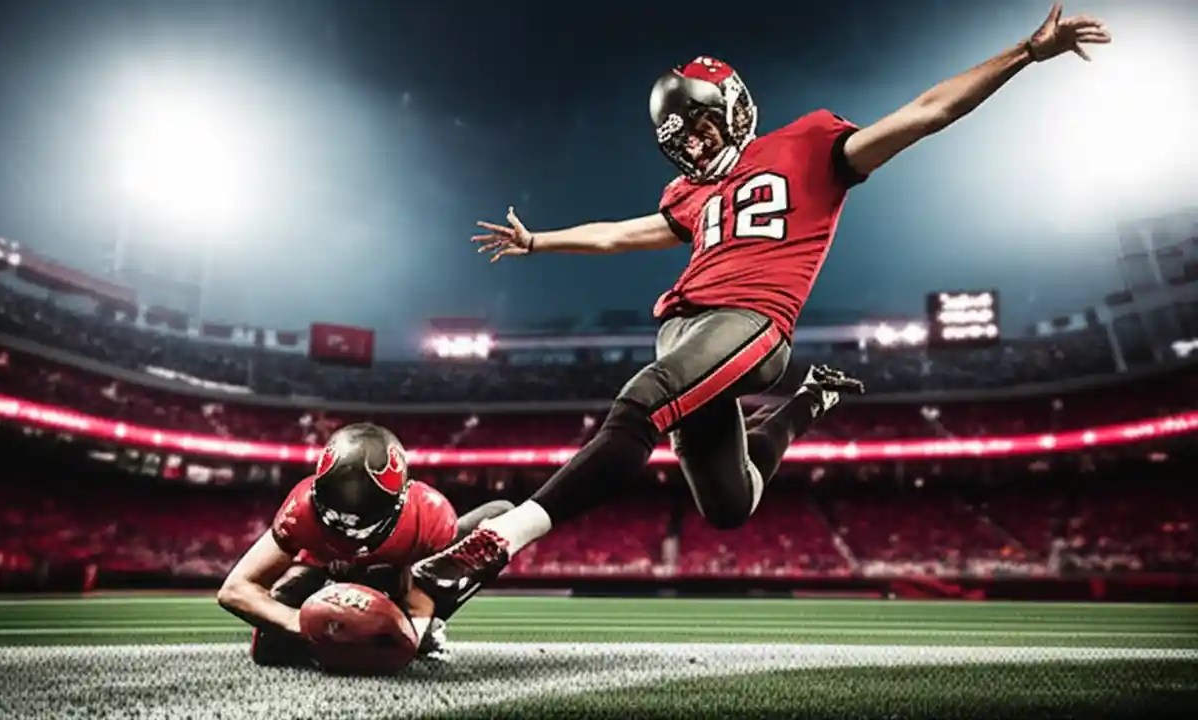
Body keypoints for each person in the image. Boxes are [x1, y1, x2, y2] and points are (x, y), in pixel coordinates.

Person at [413, 3, 1110, 614]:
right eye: (682, 139)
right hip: (684, 333)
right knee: (728, 504)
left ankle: (499, 540)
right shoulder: (686, 196)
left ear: (736, 110)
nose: (694, 146)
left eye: (703, 132)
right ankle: (807, 406)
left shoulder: (811, 146)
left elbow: (927, 113)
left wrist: (1024, 53)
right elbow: (622, 233)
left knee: (639, 405)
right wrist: (539, 241)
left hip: (750, 322)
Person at [217, 422, 512, 665]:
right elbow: (235, 589)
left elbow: (425, 591)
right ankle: (332, 628)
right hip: (326, 579)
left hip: (397, 579)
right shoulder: (302, 508)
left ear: (401, 502)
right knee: (271, 652)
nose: (348, 529)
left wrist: (412, 634)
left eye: (362, 521)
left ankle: (424, 630)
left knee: (499, 517)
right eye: (334, 514)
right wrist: (303, 623)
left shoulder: (429, 514)